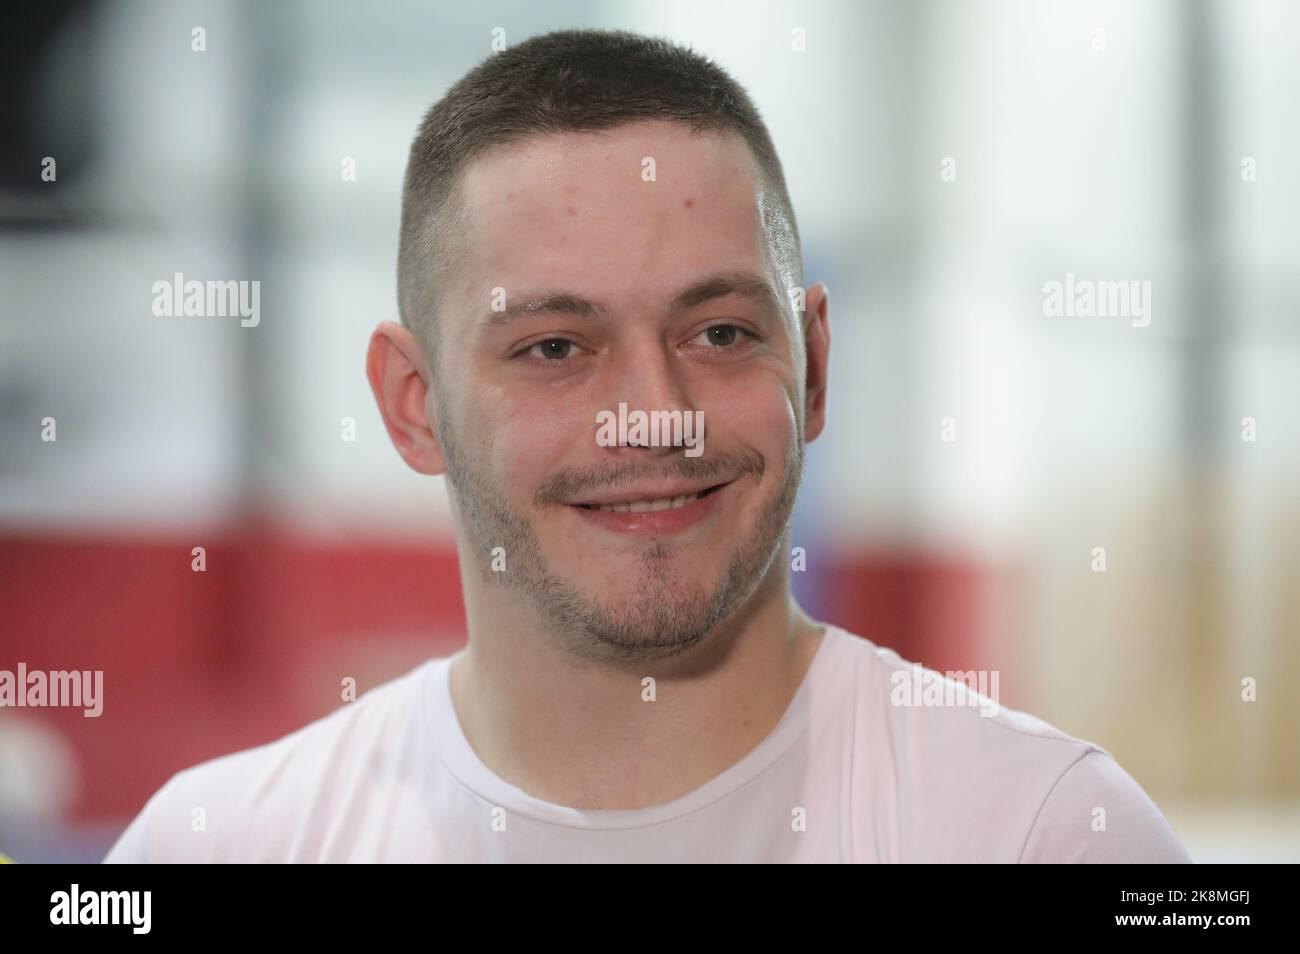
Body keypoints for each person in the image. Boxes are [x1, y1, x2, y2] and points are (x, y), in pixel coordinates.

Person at [105, 28, 1190, 863]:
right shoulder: (218, 846)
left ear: (811, 363)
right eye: (553, 347)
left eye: (719, 333)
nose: (653, 414)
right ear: (411, 404)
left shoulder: (1045, 836)